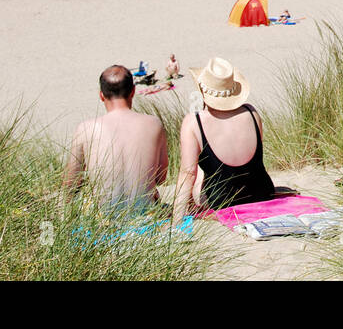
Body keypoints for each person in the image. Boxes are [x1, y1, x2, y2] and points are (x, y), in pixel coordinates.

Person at [173, 58, 275, 220]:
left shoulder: (194, 122)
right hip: (262, 193)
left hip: (222, 201)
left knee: (200, 170)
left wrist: (176, 221)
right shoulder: (251, 112)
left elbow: (187, 175)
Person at [63, 65, 169, 210]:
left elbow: (71, 184)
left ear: (101, 95)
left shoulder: (85, 129)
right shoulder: (154, 124)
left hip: (105, 221)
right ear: (133, 92)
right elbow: (161, 178)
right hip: (145, 218)